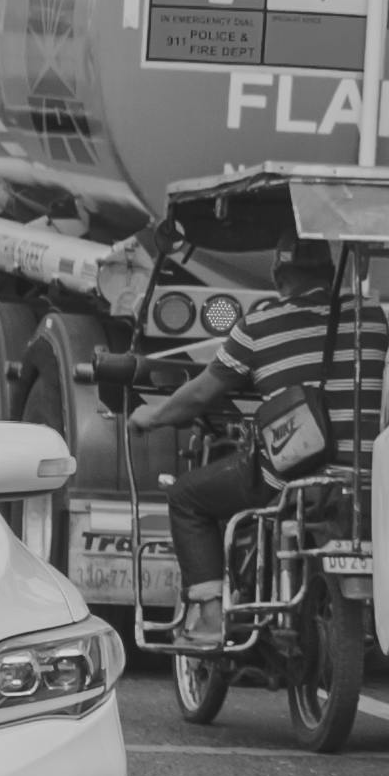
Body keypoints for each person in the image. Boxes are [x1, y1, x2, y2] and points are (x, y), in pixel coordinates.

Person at [126, 236, 280, 612]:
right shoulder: (372, 321)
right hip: (366, 473)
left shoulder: (262, 325)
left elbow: (199, 395)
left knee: (186, 496)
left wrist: (153, 416)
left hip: (288, 468)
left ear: (280, 274)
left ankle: (210, 615)